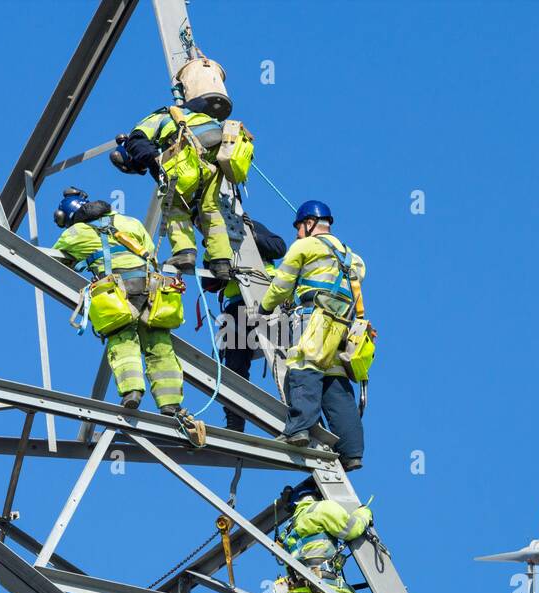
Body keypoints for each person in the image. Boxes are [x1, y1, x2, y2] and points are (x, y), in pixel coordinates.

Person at [50, 187, 185, 414]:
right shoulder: (129, 222)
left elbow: (55, 262)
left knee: (123, 342)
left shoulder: (74, 233)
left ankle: (132, 392)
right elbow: (150, 252)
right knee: (159, 345)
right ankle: (170, 403)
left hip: (117, 293)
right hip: (151, 288)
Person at [257, 200, 365, 471]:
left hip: (314, 318)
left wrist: (264, 307)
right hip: (342, 326)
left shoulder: (304, 247)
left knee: (303, 367)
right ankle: (351, 451)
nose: (296, 234)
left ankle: (298, 430)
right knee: (335, 382)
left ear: (309, 223)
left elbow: (282, 285)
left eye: (299, 228)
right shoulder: (351, 257)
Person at [111, 103, 242, 286]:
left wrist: (159, 171)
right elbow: (201, 103)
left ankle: (184, 253)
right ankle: (221, 262)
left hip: (193, 146)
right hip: (219, 143)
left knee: (173, 204)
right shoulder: (174, 112)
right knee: (210, 207)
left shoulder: (136, 135)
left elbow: (145, 152)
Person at [202, 215, 286, 432]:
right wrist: (216, 261)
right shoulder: (214, 240)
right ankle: (235, 421)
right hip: (238, 307)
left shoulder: (251, 226)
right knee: (235, 366)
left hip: (268, 301)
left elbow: (279, 247)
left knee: (288, 363)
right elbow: (208, 283)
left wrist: (252, 236)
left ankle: (301, 420)